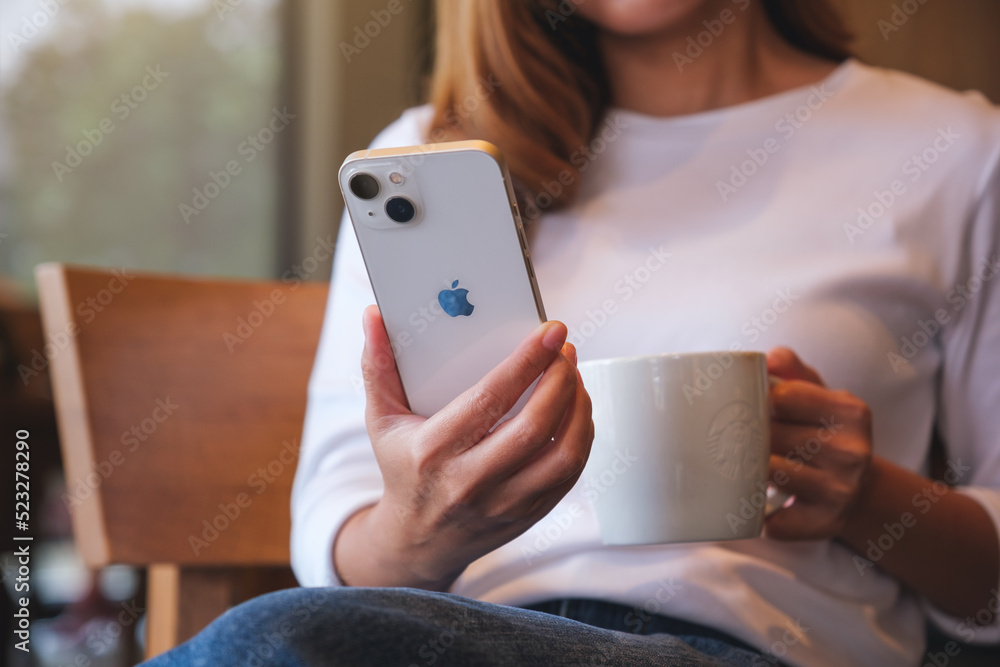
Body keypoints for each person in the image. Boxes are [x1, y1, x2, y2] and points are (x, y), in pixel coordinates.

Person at [144, 0, 1000, 665]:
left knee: (278, 645)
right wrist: (422, 524)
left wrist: (872, 501)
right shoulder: (432, 157)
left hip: (754, 647)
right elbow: (335, 529)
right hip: (446, 631)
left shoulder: (957, 152)